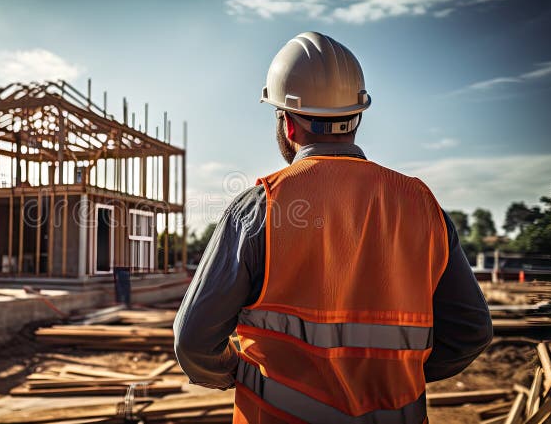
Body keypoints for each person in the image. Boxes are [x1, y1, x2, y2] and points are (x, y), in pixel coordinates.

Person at [173, 32, 493, 424]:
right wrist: (399, 379)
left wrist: (236, 372)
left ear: (288, 126)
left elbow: (193, 341)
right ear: (356, 117)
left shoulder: (260, 207)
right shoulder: (422, 205)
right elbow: (471, 330)